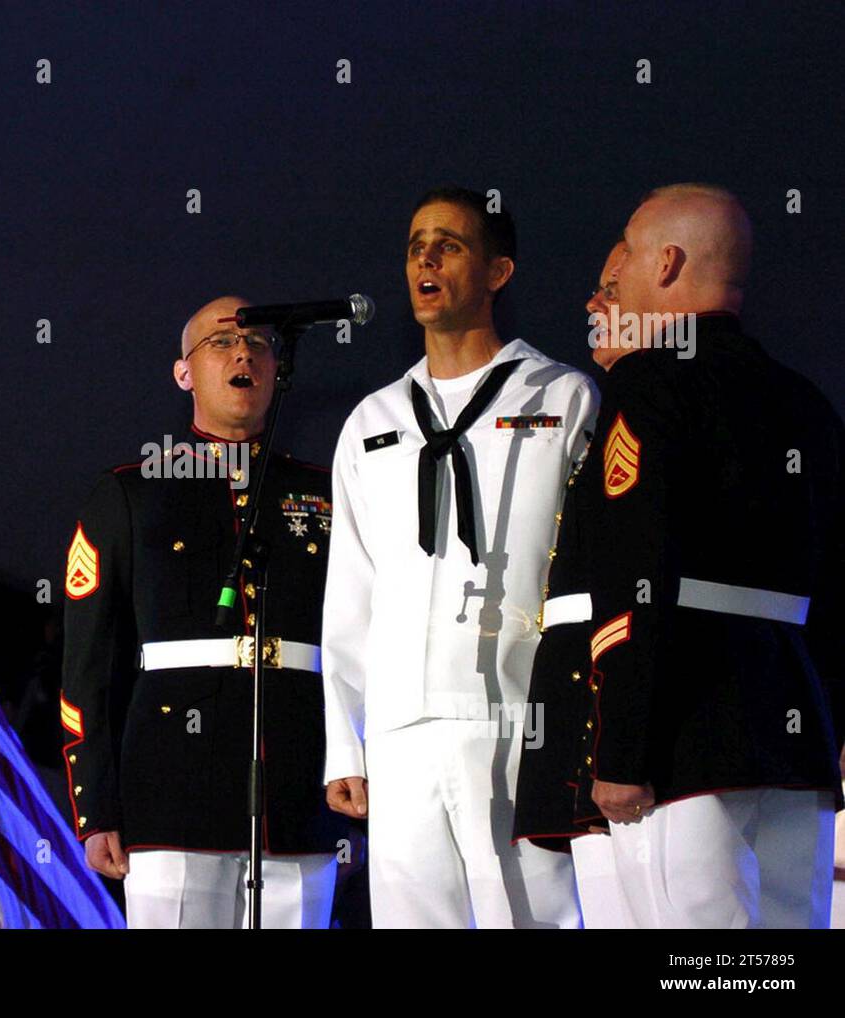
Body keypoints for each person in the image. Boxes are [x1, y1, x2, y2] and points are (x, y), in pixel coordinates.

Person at [322, 187, 597, 927]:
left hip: (517, 721)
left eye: (448, 244)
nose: (425, 260)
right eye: (415, 246)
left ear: (498, 271)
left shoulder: (563, 396)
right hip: (400, 732)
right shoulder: (372, 419)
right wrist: (342, 744)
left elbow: (589, 574)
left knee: (536, 917)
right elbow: (350, 591)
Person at [575, 183, 845, 928]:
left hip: (687, 734)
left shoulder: (650, 383)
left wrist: (622, 749)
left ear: (665, 263)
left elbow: (636, 568)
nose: (616, 270)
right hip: (798, 738)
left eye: (625, 251)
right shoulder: (806, 402)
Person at [60, 295, 346, 928]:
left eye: (261, 344)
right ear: (183, 373)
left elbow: (363, 643)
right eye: (221, 343)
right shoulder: (130, 492)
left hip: (301, 786)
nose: (244, 352)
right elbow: (88, 665)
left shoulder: (330, 491)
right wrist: (96, 806)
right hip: (168, 790)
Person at [511, 240, 631, 928]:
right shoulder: (614, 411)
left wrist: (622, 746)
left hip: (627, 731)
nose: (593, 304)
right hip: (579, 725)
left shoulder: (644, 416)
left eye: (612, 288)